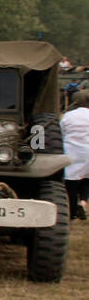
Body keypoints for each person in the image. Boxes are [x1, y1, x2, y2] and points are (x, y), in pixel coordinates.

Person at [61, 90, 89, 221]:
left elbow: (61, 133)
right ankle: (83, 202)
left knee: (71, 184)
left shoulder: (68, 116)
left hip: (72, 151)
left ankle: (72, 213)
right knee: (87, 179)